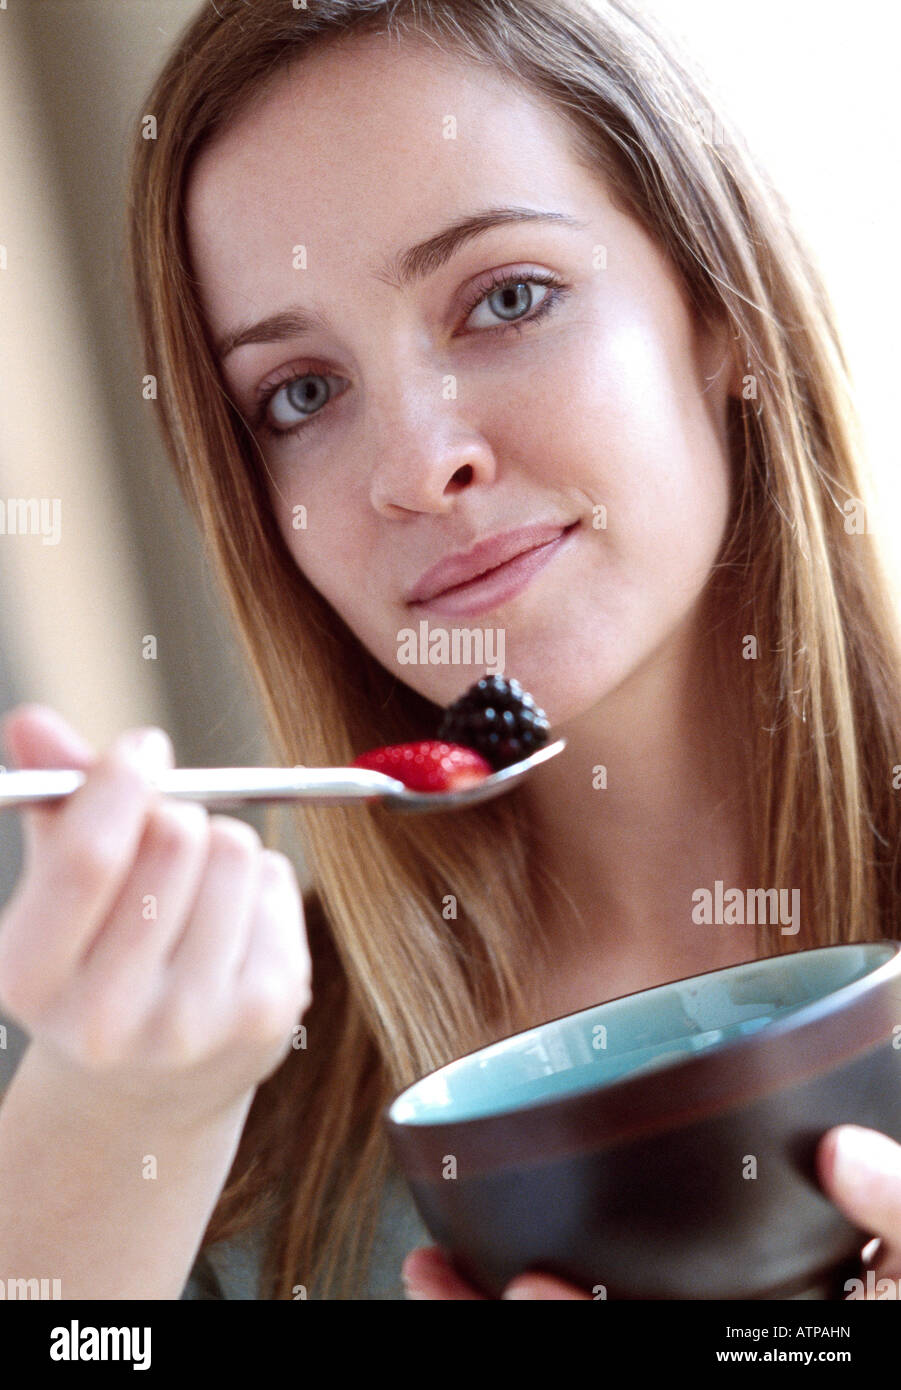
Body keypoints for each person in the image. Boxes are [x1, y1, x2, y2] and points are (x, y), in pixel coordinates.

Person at [2, 0, 900, 1301]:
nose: (420, 467)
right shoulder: (198, 1110)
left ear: (721, 309)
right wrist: (105, 1118)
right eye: (301, 393)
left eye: (508, 298)